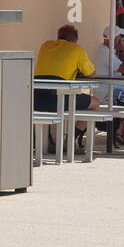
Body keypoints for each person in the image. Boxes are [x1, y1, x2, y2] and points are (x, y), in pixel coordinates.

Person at [34, 24, 98, 153]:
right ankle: (71, 139)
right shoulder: (76, 49)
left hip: (36, 98)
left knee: (55, 105)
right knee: (95, 104)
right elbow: (91, 74)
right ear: (75, 40)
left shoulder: (45, 45)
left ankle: (48, 140)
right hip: (59, 99)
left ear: (58, 36)